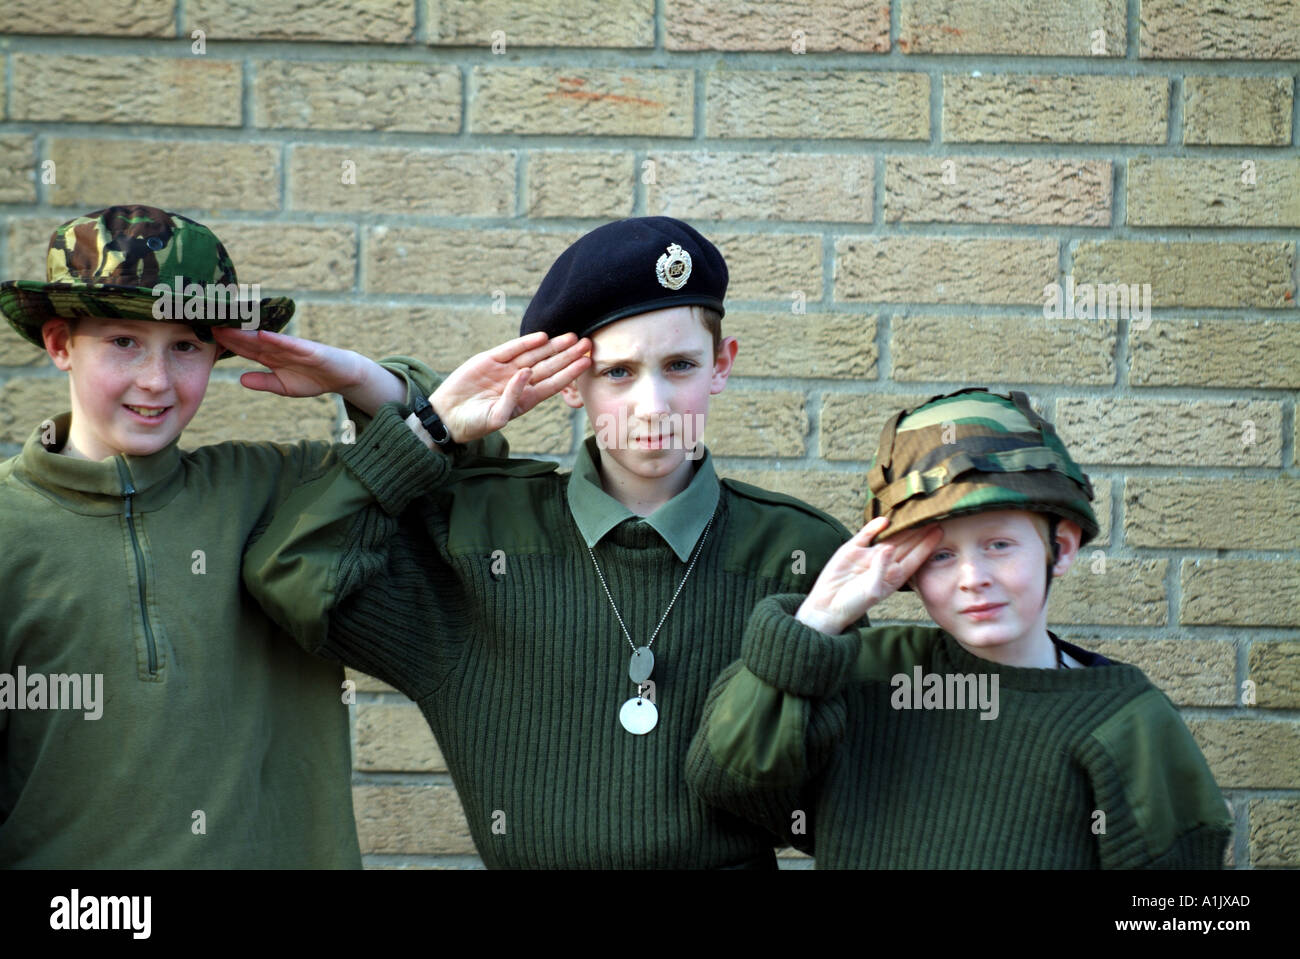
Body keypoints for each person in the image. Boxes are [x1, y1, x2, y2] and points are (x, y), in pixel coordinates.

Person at [242, 216, 852, 868]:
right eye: (618, 372)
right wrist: (427, 429)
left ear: (721, 365)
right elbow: (294, 574)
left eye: (680, 365)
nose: (653, 405)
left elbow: (840, 807)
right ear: (569, 382)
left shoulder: (800, 553)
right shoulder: (482, 540)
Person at [0, 204, 495, 867]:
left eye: (186, 346)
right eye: (123, 342)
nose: (156, 380)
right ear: (60, 343)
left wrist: (350, 378)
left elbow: (466, 458)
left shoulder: (276, 491)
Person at [686, 387, 1233, 868]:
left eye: (998, 545)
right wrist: (815, 626)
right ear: (906, 570)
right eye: (941, 555)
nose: (973, 578)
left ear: (1059, 547)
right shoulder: (870, 675)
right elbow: (726, 780)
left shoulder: (1126, 722)